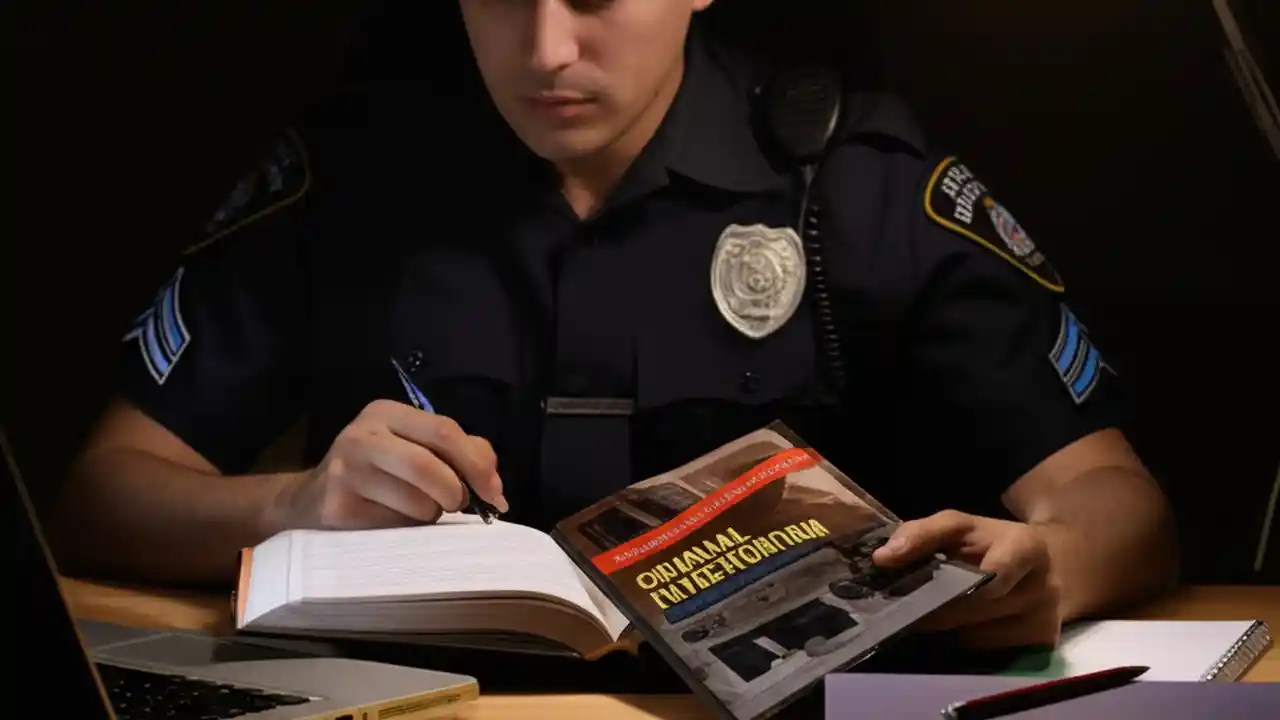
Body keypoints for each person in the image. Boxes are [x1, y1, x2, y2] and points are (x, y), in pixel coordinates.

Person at [49, 0, 1179, 650]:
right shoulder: (352, 174)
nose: (545, 48)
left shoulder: (857, 185)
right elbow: (103, 493)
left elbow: (1113, 501)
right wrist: (292, 507)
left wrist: (1051, 569)